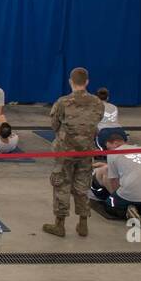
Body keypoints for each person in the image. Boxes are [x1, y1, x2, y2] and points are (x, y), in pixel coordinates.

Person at [43, 67, 105, 238]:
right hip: (86, 151)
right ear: (87, 82)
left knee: (61, 185)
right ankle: (83, 223)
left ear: (70, 81)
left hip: (65, 151)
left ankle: (60, 225)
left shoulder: (63, 102)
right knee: (82, 186)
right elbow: (96, 122)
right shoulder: (98, 103)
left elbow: (54, 125)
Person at [91, 133, 141, 227]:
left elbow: (113, 181)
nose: (107, 150)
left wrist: (115, 195)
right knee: (135, 197)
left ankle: (128, 213)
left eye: (108, 147)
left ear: (115, 143)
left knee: (109, 205)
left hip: (129, 193)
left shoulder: (112, 154)